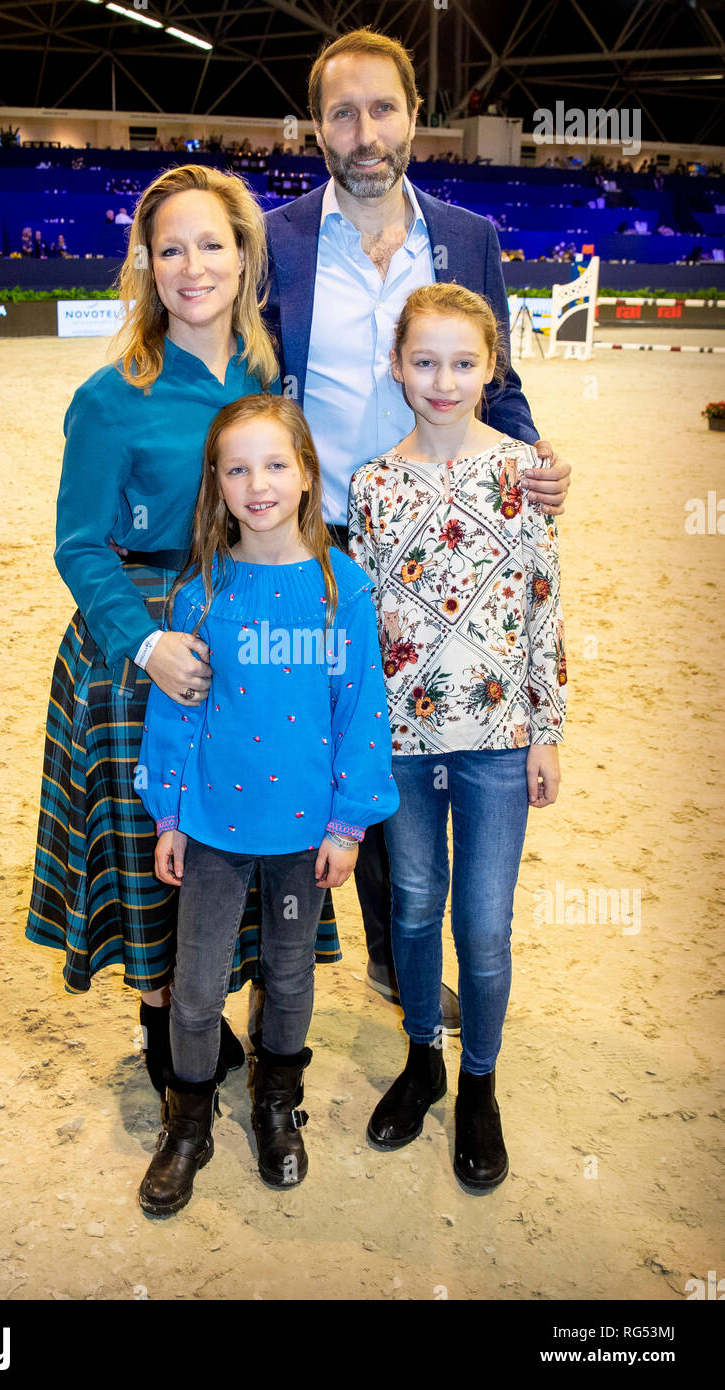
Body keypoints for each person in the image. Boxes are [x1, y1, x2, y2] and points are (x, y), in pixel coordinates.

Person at [262, 26, 571, 1017]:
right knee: (323, 749)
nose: (363, 130)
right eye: (341, 111)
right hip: (316, 545)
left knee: (411, 755)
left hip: (439, 546)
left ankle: (397, 962)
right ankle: (309, 961)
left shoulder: (469, 240)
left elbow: (501, 389)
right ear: (316, 126)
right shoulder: (276, 240)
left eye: (381, 107)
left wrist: (532, 463)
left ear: (412, 118)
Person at [25, 165, 340, 1096]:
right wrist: (147, 644)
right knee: (159, 850)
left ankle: (215, 1005)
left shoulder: (268, 373)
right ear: (146, 265)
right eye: (170, 248)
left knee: (243, 831)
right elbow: (79, 547)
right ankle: (164, 1023)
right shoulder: (110, 396)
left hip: (247, 624)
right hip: (141, 645)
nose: (192, 266)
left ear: (246, 257)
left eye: (212, 244)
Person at [135, 394, 399, 1216]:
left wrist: (348, 825)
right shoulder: (201, 591)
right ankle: (187, 1122)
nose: (259, 483)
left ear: (309, 475)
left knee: (289, 977)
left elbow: (362, 713)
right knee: (200, 982)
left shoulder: (342, 591)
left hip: (300, 837)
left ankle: (277, 1103)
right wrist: (170, 817)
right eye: (238, 467)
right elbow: (176, 714)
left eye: (276, 464)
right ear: (215, 482)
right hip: (213, 829)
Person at [348, 281, 566, 1191]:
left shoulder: (524, 474)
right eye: (425, 362)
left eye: (464, 363)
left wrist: (547, 730)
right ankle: (423, 1059)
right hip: (402, 741)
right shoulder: (371, 485)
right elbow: (360, 628)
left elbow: (544, 605)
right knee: (408, 907)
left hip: (498, 742)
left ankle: (479, 1083)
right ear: (397, 369)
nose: (444, 380)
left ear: (491, 370)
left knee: (482, 925)